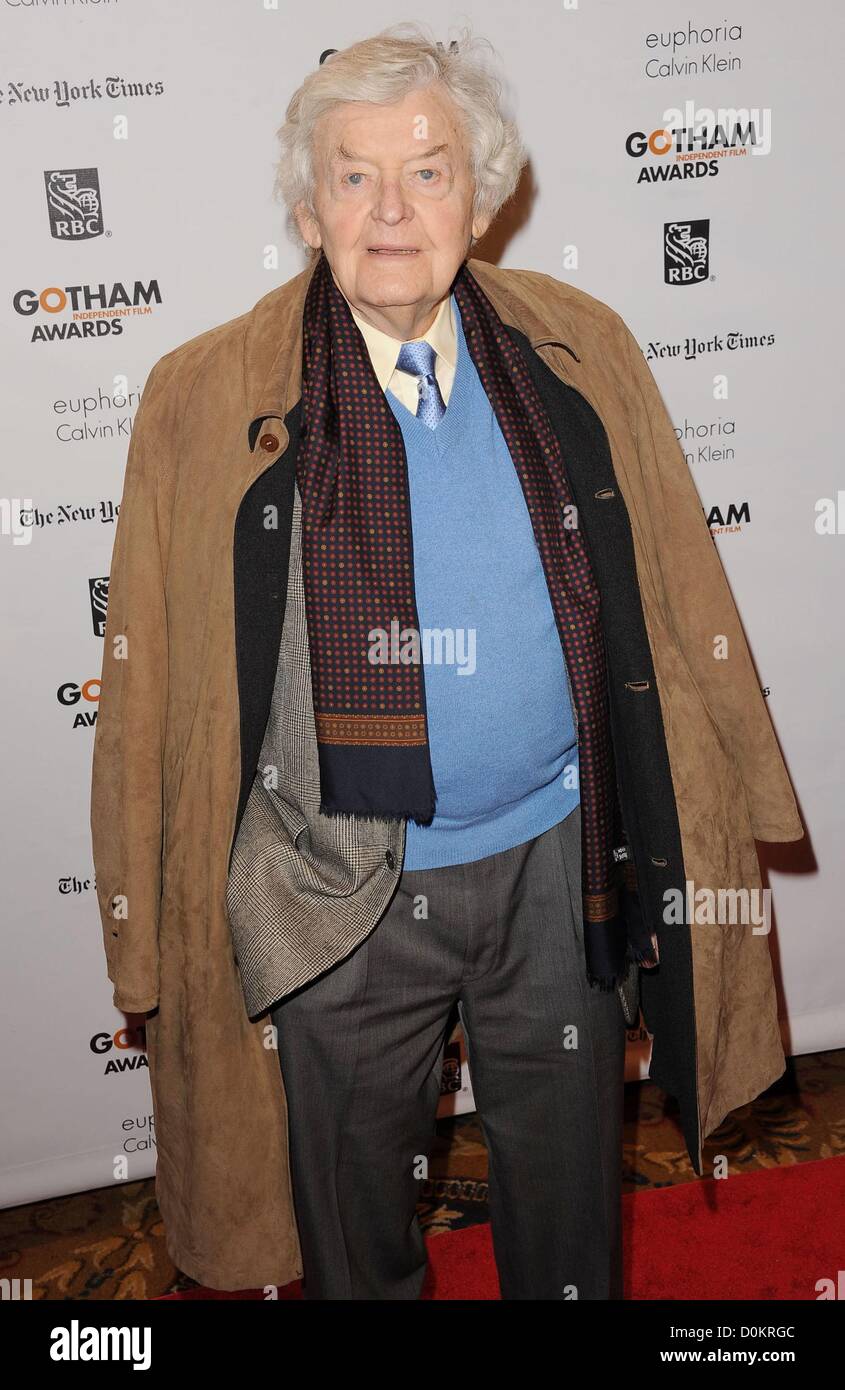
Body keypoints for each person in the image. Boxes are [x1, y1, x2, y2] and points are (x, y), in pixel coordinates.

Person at [91, 23, 804, 1300]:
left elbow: (680, 587)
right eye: (351, 176)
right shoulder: (199, 397)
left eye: (426, 170)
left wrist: (740, 793)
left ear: (483, 190)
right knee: (353, 1239)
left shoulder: (577, 347)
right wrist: (138, 945)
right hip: (332, 885)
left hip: (556, 861)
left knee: (570, 1205)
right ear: (307, 210)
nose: (389, 209)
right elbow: (148, 698)